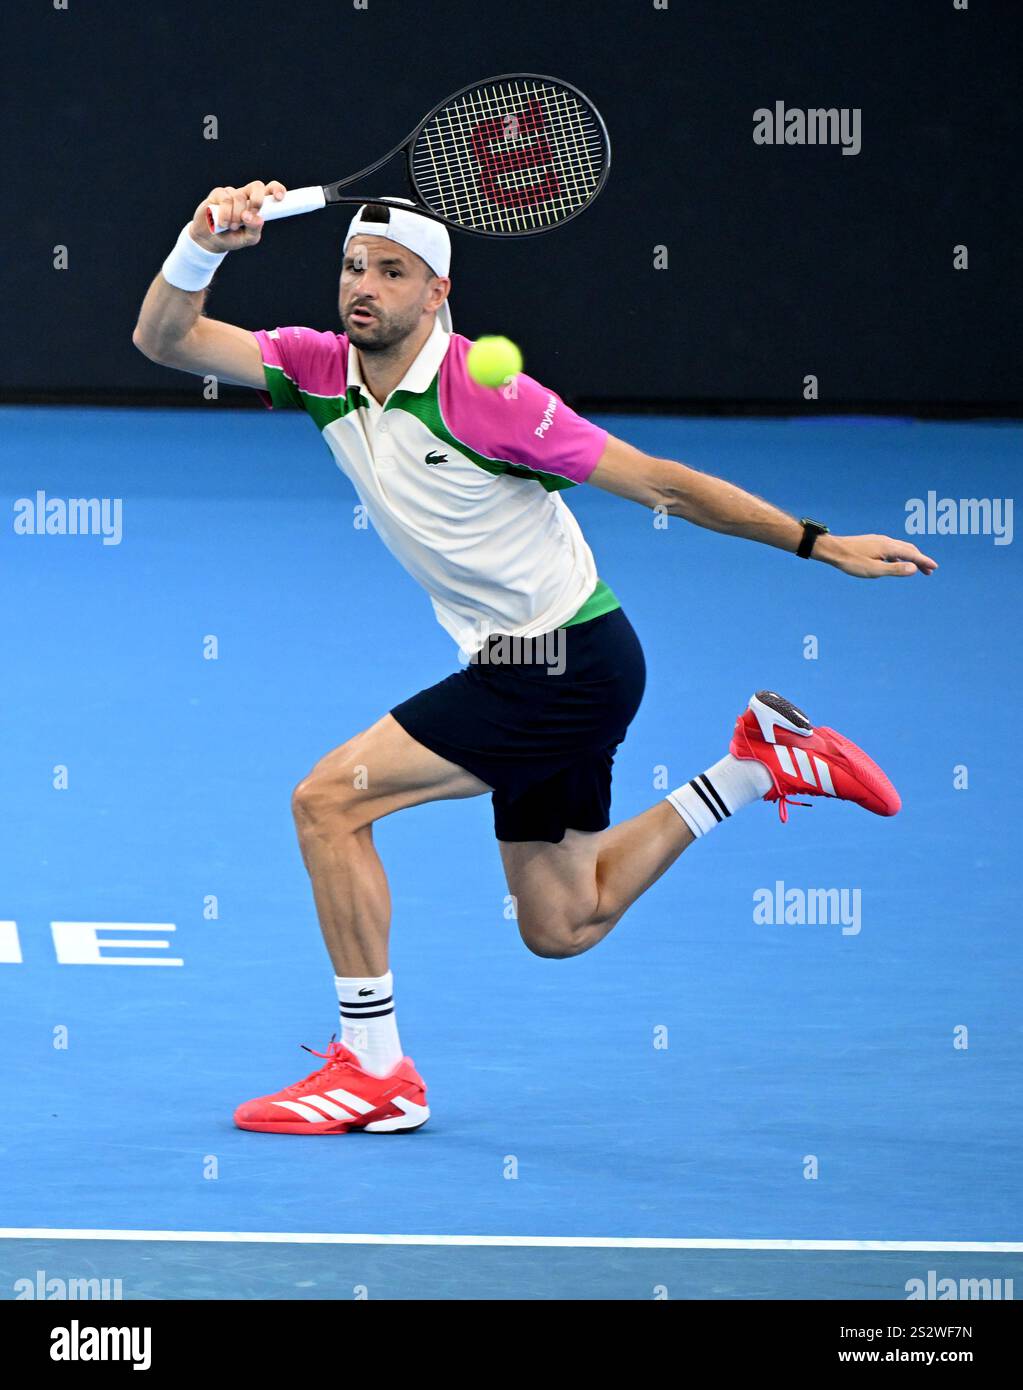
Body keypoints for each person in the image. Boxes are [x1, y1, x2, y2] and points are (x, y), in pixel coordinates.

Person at [133, 180, 937, 1135]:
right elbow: (167, 338)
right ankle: (753, 767)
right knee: (562, 925)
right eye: (354, 267)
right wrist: (202, 242)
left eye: (393, 273)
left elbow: (661, 483)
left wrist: (818, 541)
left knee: (328, 800)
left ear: (436, 293)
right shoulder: (317, 368)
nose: (365, 288)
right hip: (549, 663)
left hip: (561, 663)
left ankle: (374, 1071)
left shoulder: (490, 397)